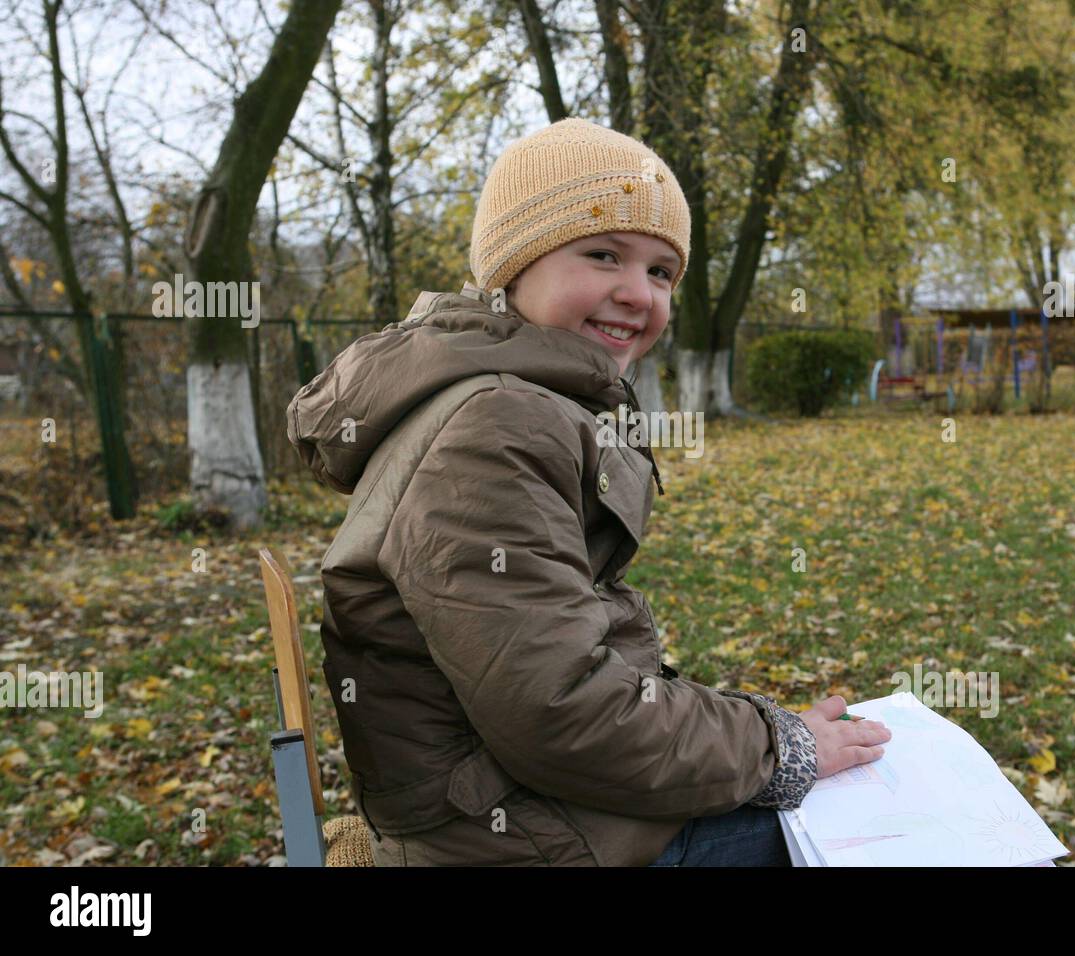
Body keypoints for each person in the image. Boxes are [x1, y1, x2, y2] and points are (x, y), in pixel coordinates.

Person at [286, 117, 890, 867]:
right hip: (531, 839)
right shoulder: (497, 425)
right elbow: (561, 712)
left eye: (662, 271)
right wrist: (780, 746)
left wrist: (761, 735)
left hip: (538, 808)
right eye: (604, 254)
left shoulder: (511, 400)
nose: (638, 294)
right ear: (513, 263)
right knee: (914, 826)